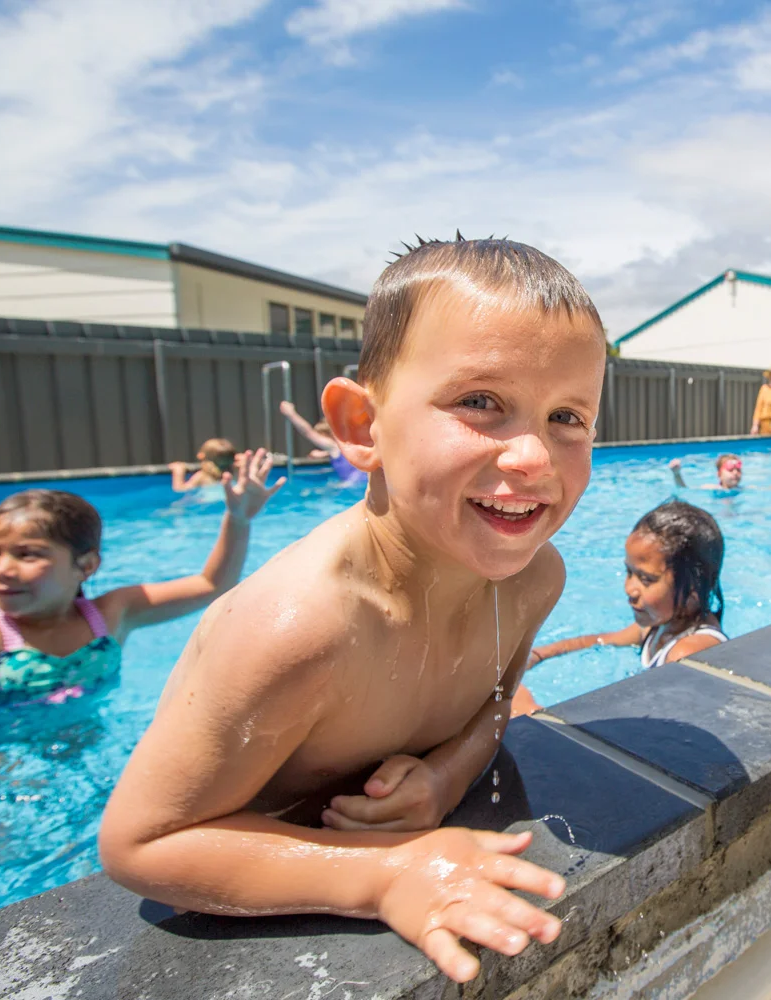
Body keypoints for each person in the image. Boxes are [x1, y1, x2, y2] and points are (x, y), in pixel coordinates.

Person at [97, 236, 608, 985]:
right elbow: (143, 844)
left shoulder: (534, 581)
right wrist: (384, 875)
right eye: (480, 402)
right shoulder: (304, 625)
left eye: (567, 416)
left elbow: (497, 708)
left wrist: (443, 779)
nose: (533, 456)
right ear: (362, 428)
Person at [0, 452, 283, 703]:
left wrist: (239, 519)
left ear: (87, 564)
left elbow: (211, 586)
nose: (2, 570)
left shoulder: (112, 614)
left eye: (28, 554)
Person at [511, 500, 727, 717]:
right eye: (629, 572)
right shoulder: (658, 626)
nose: (629, 588)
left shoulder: (686, 654)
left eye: (646, 579)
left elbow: (648, 727)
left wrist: (530, 710)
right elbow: (599, 641)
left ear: (693, 591)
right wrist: (536, 656)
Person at [279, 401, 367, 487]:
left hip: (350, 485)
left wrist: (291, 414)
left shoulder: (334, 447)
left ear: (329, 436)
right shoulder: (355, 444)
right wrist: (325, 454)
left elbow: (308, 432)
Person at [669, 454, 771, 492]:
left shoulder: (744, 489)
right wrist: (677, 474)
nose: (735, 473)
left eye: (738, 470)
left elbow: (765, 489)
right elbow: (684, 489)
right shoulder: (711, 488)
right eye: (731, 470)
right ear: (719, 474)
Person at [170, 438, 239, 492]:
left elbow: (180, 490)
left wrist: (178, 471)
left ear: (201, 456)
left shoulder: (203, 476)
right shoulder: (235, 474)